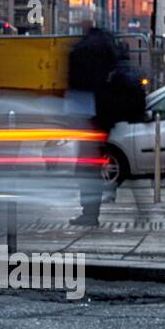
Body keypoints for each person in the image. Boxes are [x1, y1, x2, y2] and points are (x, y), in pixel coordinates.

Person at [66, 23, 121, 226]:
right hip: (103, 116)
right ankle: (92, 210)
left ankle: (90, 213)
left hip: (90, 116)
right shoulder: (106, 46)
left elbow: (78, 84)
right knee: (92, 165)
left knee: (86, 166)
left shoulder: (85, 50)